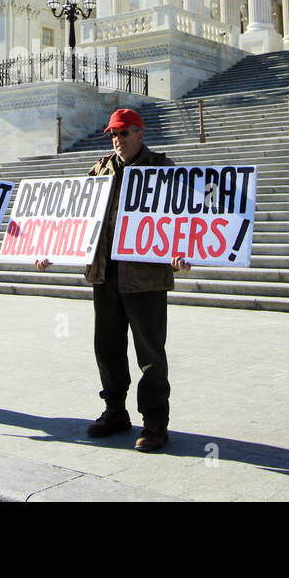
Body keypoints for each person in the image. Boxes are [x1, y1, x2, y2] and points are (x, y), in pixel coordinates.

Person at [36, 109, 189, 452]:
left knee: (150, 353)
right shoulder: (100, 169)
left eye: (123, 133)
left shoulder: (162, 169)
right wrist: (50, 248)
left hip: (146, 277)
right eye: (113, 135)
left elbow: (181, 218)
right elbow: (75, 217)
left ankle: (154, 424)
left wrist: (181, 253)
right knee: (106, 348)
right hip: (105, 272)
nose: (118, 140)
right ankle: (115, 410)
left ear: (140, 133)